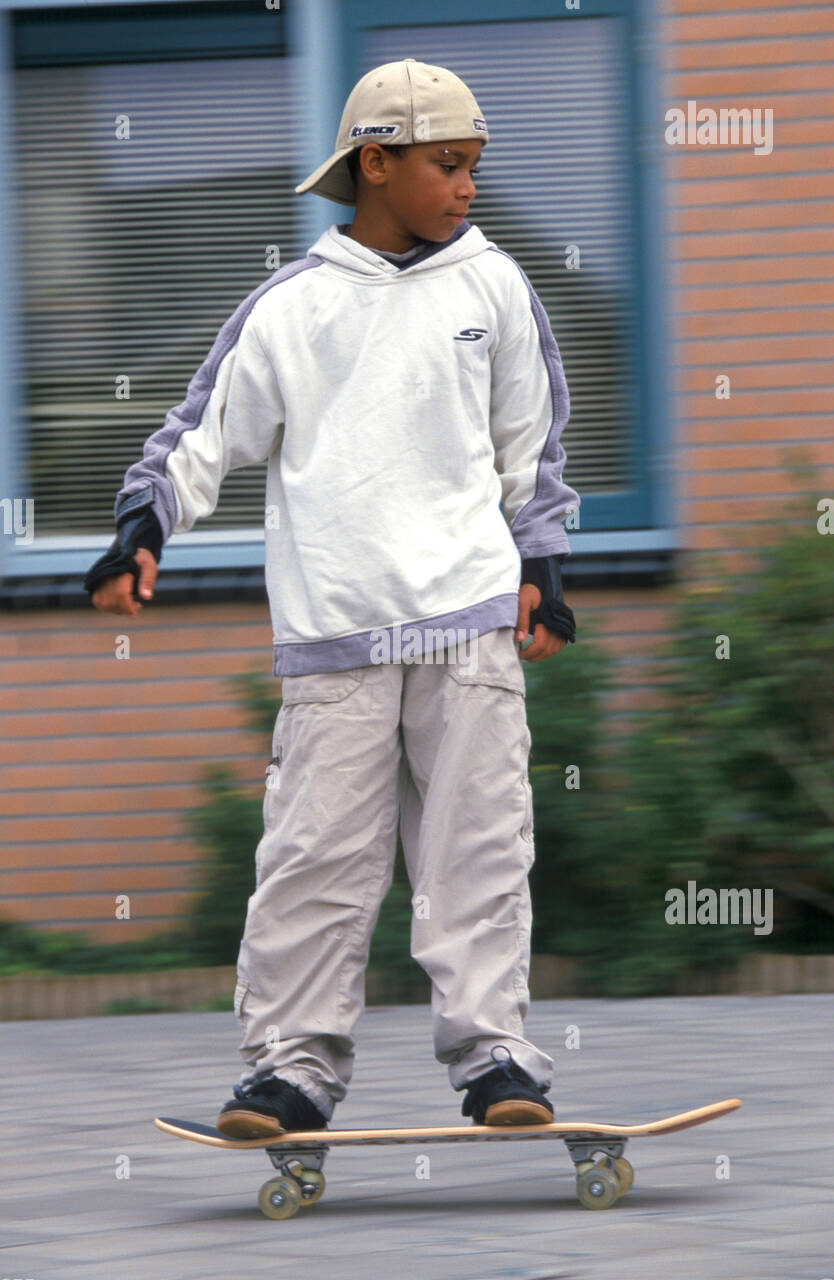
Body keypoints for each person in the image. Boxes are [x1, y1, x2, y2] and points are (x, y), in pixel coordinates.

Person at [84, 58, 579, 1138]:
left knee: (480, 848)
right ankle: (290, 1070)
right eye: (448, 165)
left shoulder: (494, 286)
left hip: (469, 626)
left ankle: (495, 1054)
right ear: (376, 163)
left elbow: (529, 450)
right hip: (334, 639)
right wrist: (142, 531)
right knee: (314, 861)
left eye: (476, 166)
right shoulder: (291, 309)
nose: (468, 187)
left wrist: (539, 571)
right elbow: (196, 436)